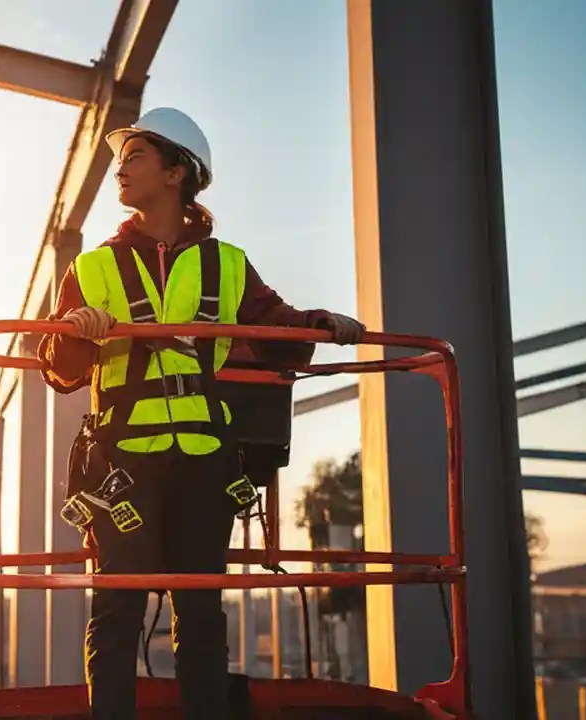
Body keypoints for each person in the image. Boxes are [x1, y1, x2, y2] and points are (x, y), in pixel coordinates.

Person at [37, 106, 364, 720]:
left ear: (177, 172)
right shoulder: (92, 267)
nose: (120, 169)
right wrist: (76, 331)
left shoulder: (227, 264)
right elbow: (62, 370)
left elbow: (278, 330)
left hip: (204, 462)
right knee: (117, 608)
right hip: (124, 465)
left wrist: (325, 325)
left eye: (134, 156)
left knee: (202, 610)